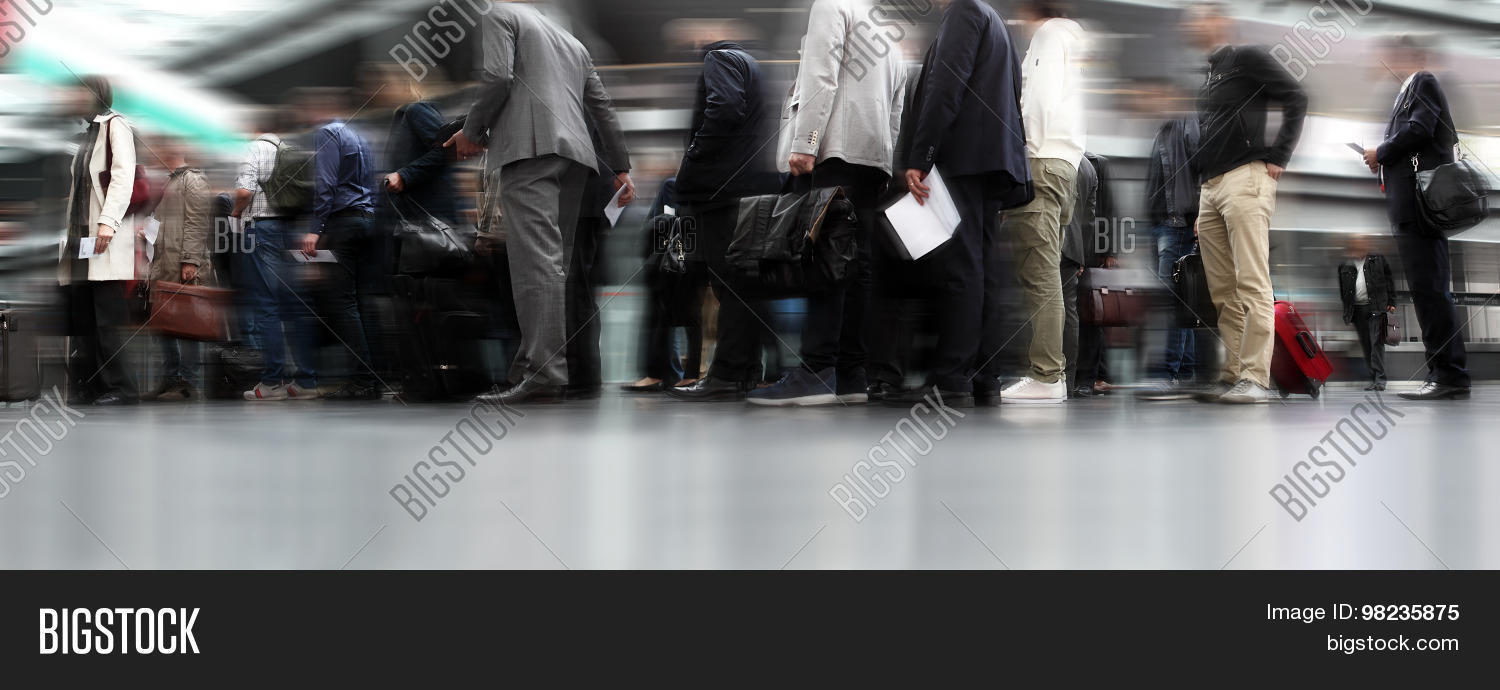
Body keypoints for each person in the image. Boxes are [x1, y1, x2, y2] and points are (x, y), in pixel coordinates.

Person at [447, 0, 633, 405]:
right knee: (555, 266)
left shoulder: (499, 15)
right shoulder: (571, 41)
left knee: (535, 267)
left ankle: (544, 373)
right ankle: (533, 365)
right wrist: (620, 166)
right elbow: (601, 104)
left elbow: (497, 77)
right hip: (577, 159)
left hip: (529, 149)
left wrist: (472, 131)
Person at [744, 0, 906, 407]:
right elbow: (896, 105)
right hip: (873, 160)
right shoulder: (886, 24)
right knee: (857, 267)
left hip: (835, 153)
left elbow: (820, 75)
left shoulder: (832, 6)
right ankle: (851, 373)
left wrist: (806, 142)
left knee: (825, 261)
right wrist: (886, 161)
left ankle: (816, 371)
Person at [892, 0, 1031, 408]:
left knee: (961, 269)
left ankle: (951, 377)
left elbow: (944, 86)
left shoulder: (965, 11)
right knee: (984, 270)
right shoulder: (996, 21)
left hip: (964, 159)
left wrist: (921, 156)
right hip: (990, 163)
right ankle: (984, 376)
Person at [1183, 2, 1306, 404]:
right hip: (1212, 188)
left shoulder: (1248, 58)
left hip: (1246, 179)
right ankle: (1232, 373)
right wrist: (1203, 196)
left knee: (1252, 282)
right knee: (1223, 291)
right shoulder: (1212, 74)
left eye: (1199, 15)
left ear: (1219, 20)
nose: (1191, 23)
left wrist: (1279, 156)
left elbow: (1296, 96)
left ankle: (1256, 378)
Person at [664, 32, 781, 403]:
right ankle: (744, 371)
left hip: (722, 191)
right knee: (744, 284)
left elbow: (724, 109)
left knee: (727, 284)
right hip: (750, 187)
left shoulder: (721, 58)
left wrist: (693, 157)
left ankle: (727, 374)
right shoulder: (755, 66)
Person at [983, 0, 1088, 405]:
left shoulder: (1050, 34)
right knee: (1048, 273)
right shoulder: (1078, 39)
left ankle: (1046, 376)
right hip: (1066, 166)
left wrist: (1019, 153)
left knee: (1038, 273)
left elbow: (1038, 101)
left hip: (1041, 162)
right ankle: (1049, 373)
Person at [1362, 34, 1470, 401]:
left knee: (1432, 292)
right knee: (1426, 293)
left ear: (1408, 55)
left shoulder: (1422, 80)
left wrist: (1381, 151)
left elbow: (1421, 129)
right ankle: (1444, 373)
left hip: (1420, 208)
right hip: (1408, 209)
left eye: (1390, 54)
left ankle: (1450, 376)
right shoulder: (1406, 90)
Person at [59, 75, 141, 406]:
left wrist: (107, 222)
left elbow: (123, 175)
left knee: (107, 318)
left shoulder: (114, 125)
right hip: (80, 239)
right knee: (84, 318)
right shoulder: (83, 134)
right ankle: (92, 385)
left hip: (102, 237)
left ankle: (123, 389)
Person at [299, 88, 383, 401]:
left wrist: (314, 229)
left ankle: (362, 381)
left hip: (343, 222)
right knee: (361, 302)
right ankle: (375, 377)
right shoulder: (358, 136)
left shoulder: (326, 134)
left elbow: (326, 185)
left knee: (343, 303)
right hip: (365, 220)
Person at [235, 110, 320, 402]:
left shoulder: (253, 148)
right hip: (291, 230)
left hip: (262, 230)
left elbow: (245, 192)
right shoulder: (291, 152)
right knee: (296, 306)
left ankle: (272, 382)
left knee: (267, 306)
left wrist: (234, 213)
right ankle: (306, 381)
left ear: (258, 127)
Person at [1136, 90, 1208, 401]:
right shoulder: (1164, 129)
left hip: (1177, 223)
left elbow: (1201, 165)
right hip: (1164, 224)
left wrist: (1200, 214)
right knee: (1185, 302)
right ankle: (1186, 373)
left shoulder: (1184, 123)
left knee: (1174, 302)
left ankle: (1167, 375)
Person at [141, 137, 213, 402]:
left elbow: (196, 223)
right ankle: (169, 379)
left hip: (181, 265)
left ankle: (188, 383)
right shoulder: (171, 181)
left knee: (187, 325)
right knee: (166, 326)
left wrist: (191, 261)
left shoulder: (193, 180)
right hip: (163, 265)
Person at [1337, 236, 1395, 391]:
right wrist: (1347, 310)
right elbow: (1344, 290)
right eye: (1355, 244)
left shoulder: (1378, 259)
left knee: (1377, 343)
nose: (1359, 247)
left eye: (1362, 243)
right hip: (1357, 310)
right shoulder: (1345, 264)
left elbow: (1389, 281)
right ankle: (1374, 379)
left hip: (1376, 307)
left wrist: (1391, 303)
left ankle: (1380, 380)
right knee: (1367, 345)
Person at [1060, 154, 1096, 398]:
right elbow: (1089, 219)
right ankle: (1068, 380)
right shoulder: (1088, 166)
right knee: (1069, 313)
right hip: (1073, 248)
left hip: (1053, 241)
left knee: (1042, 307)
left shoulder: (1052, 152)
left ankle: (1045, 375)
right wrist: (1083, 255)